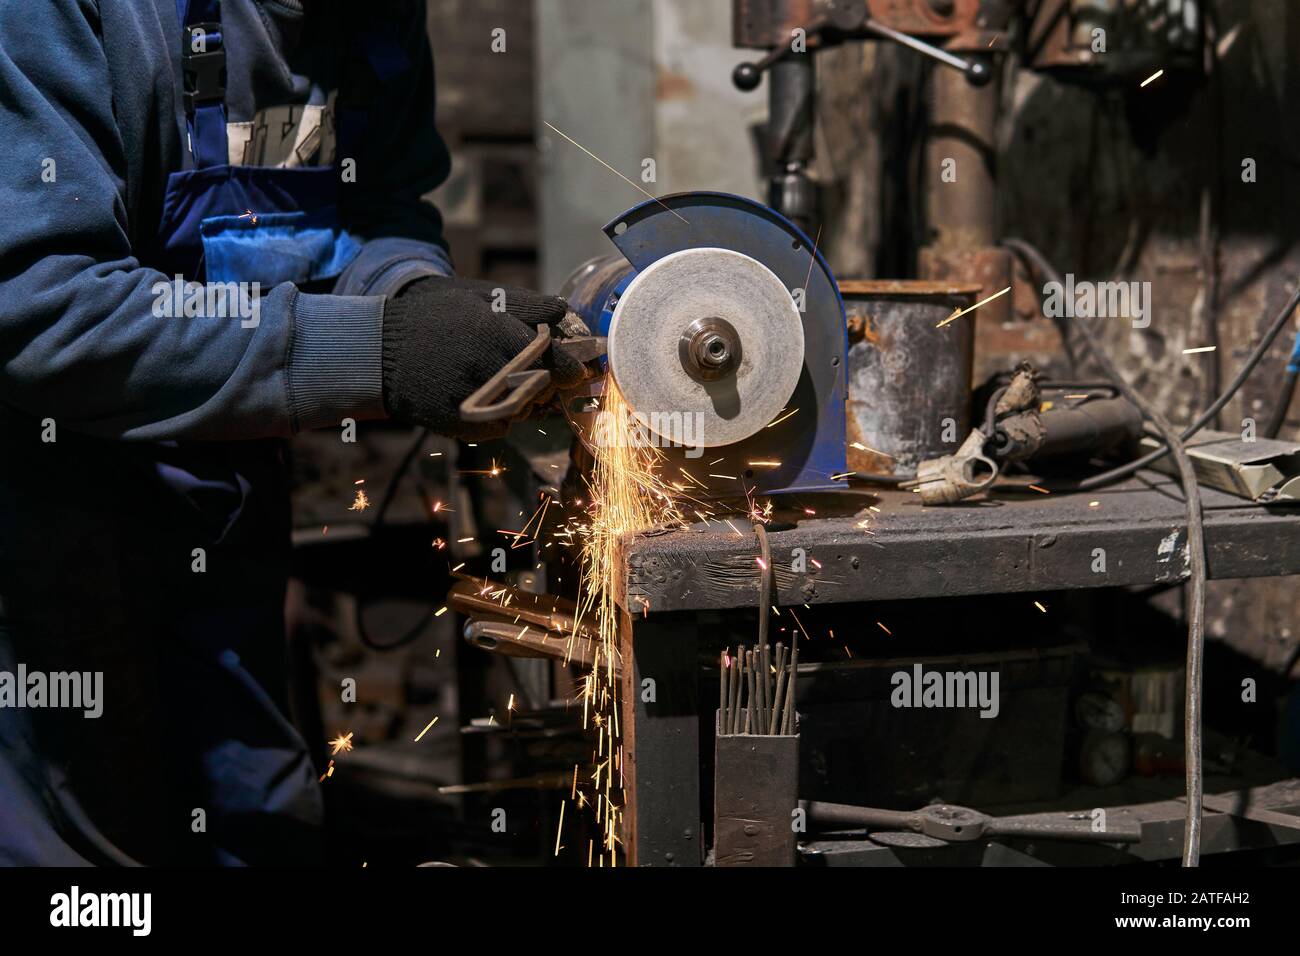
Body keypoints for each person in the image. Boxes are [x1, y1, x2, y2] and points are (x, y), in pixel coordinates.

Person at [0, 0, 581, 865]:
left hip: (222, 517)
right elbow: (42, 311)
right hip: (37, 531)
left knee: (258, 831)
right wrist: (374, 352)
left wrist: (413, 300)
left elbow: (380, 208)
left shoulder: (374, 19)